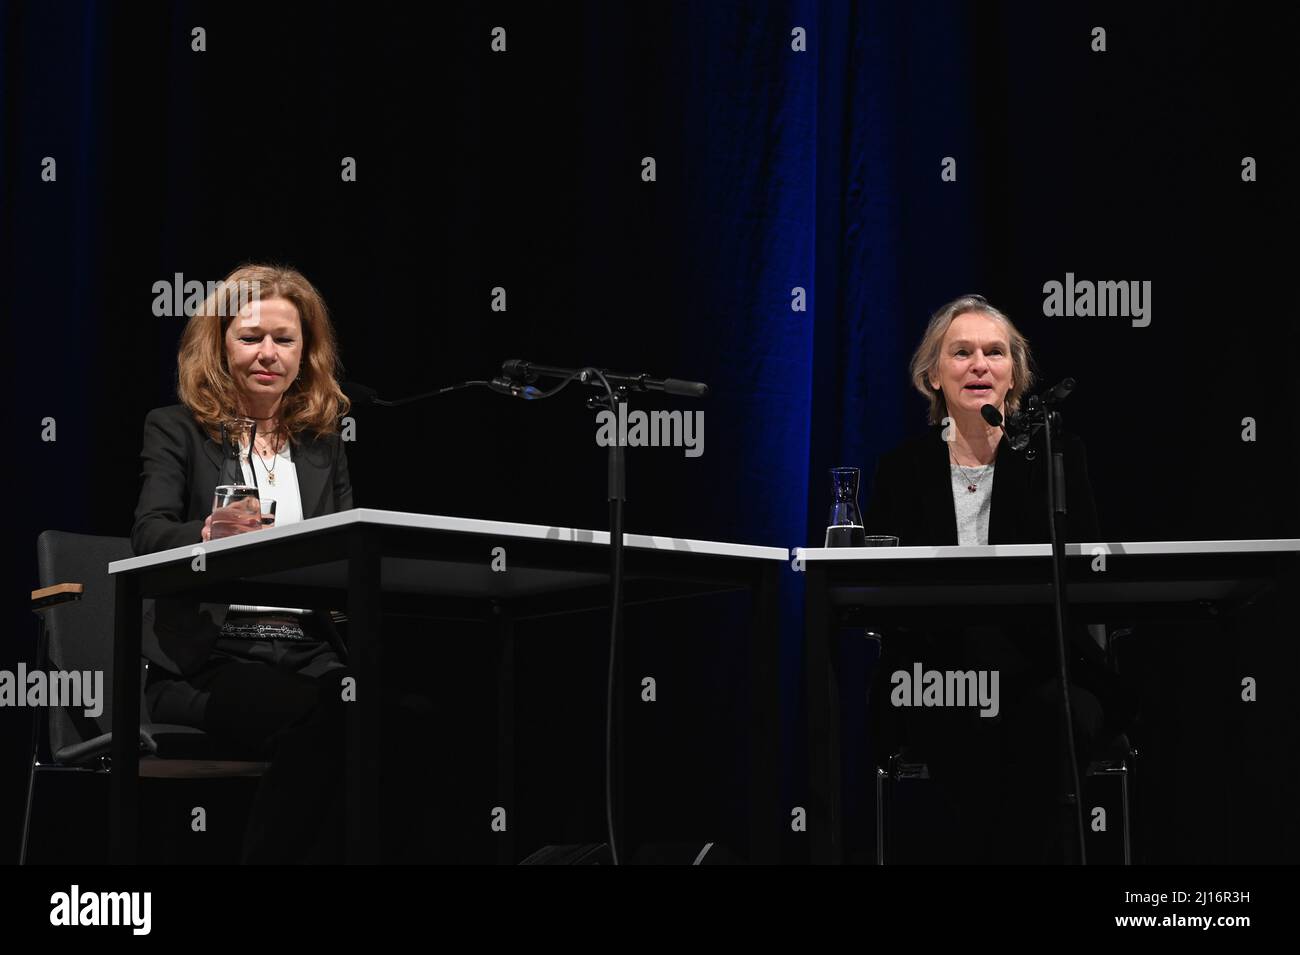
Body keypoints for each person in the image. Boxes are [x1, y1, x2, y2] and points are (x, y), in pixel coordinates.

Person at [863, 293, 1138, 863]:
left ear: (1015, 374)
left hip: (1045, 667)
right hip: (939, 674)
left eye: (994, 353)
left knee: (1048, 717)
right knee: (962, 712)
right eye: (960, 353)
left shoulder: (1056, 456)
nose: (979, 365)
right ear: (932, 376)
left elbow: (1086, 578)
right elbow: (885, 591)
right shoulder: (901, 470)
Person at [132, 263, 358, 863]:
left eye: (284, 340)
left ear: (306, 352)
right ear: (218, 343)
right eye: (250, 337)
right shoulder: (178, 429)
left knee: (407, 717)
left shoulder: (323, 446)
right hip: (209, 660)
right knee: (330, 723)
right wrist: (207, 531)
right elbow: (148, 536)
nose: (268, 354)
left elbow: (345, 555)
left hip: (308, 653)